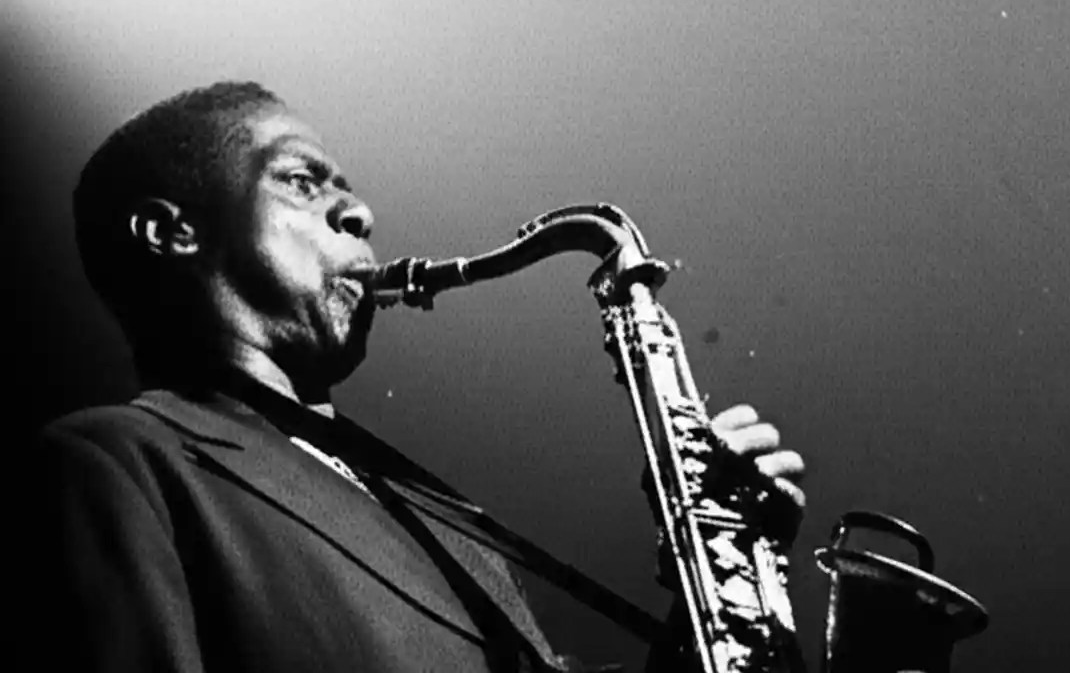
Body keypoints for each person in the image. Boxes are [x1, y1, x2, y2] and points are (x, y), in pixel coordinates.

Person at [24, 81, 807, 672]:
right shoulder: (115, 460)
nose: (359, 212)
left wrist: (713, 586)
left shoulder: (443, 520)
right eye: (302, 180)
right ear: (172, 231)